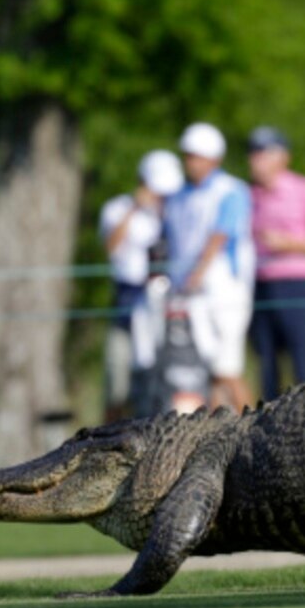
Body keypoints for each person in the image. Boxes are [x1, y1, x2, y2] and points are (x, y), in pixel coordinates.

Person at [163, 122, 255, 411]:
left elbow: (220, 235)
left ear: (214, 159)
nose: (191, 162)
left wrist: (197, 272)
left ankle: (256, 428)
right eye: (188, 155)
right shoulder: (177, 196)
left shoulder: (231, 190)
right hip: (189, 290)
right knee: (209, 370)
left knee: (226, 368)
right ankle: (221, 435)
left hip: (224, 288)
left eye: (197, 156)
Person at [246, 125, 305, 400]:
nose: (254, 159)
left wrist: (289, 244)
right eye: (253, 153)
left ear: (282, 157)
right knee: (266, 364)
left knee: (303, 362)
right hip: (258, 283)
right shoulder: (249, 195)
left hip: (295, 282)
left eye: (262, 153)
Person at [98, 150, 184, 421]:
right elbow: (111, 247)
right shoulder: (117, 208)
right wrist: (135, 208)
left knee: (163, 381)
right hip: (127, 298)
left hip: (165, 302)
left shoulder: (174, 212)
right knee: (118, 383)